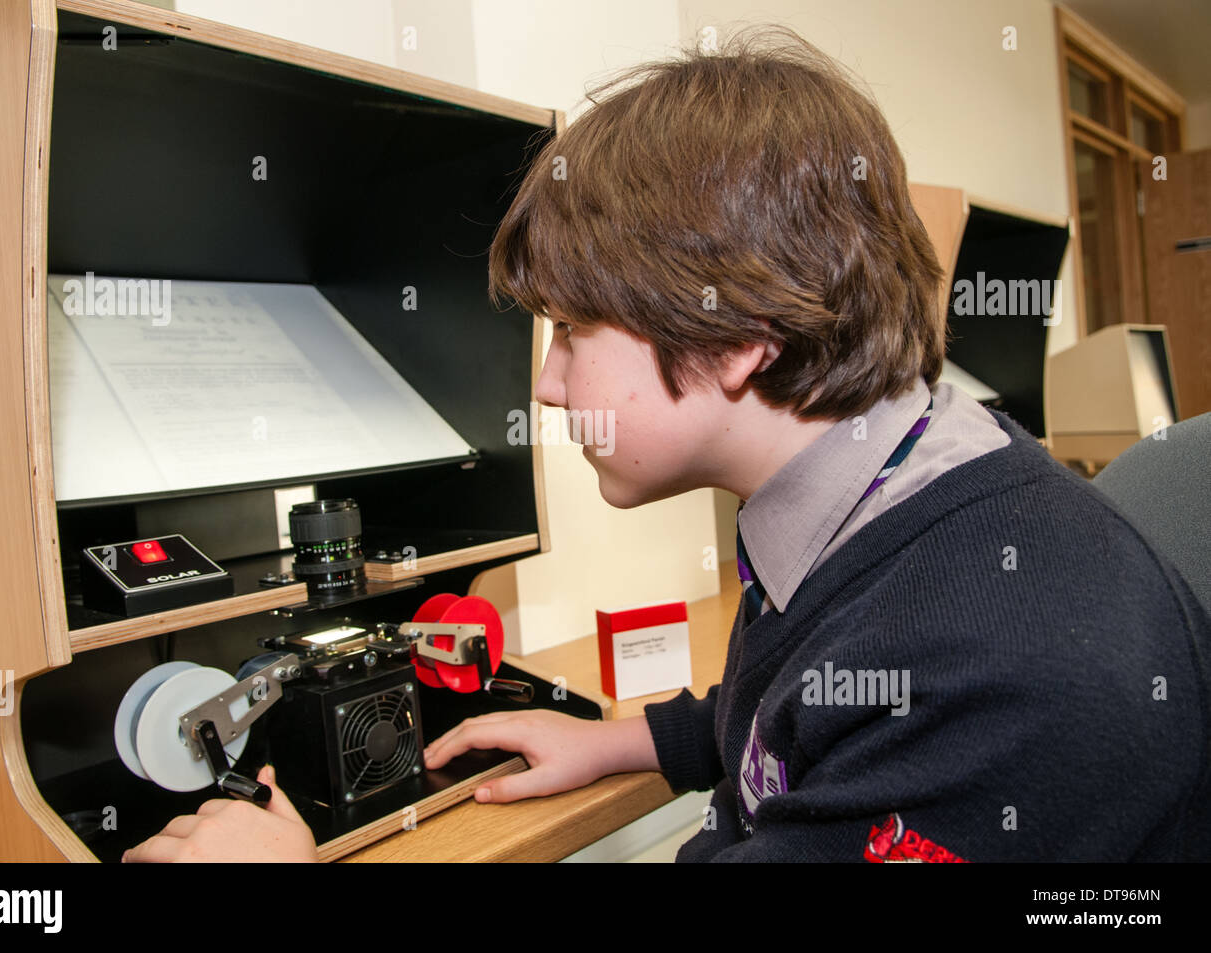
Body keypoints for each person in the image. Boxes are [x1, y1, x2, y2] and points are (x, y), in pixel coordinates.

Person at [124, 25, 1211, 863]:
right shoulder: (892, 476)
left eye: (571, 330)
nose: (546, 384)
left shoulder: (998, 673)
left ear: (737, 337)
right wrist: (646, 741)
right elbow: (803, 701)